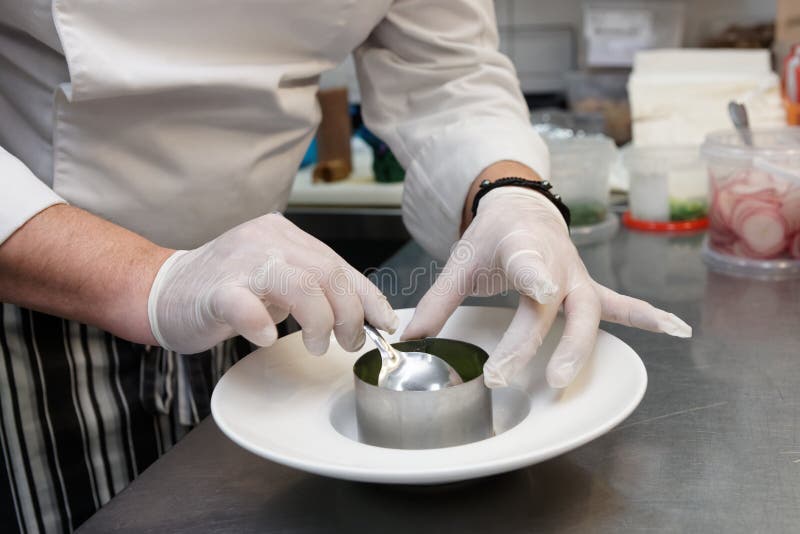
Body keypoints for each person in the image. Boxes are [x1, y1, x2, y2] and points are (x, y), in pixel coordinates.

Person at [0, 1, 691, 532]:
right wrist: (147, 280)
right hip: (50, 295)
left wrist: (509, 192)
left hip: (266, 303)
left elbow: (447, 74)